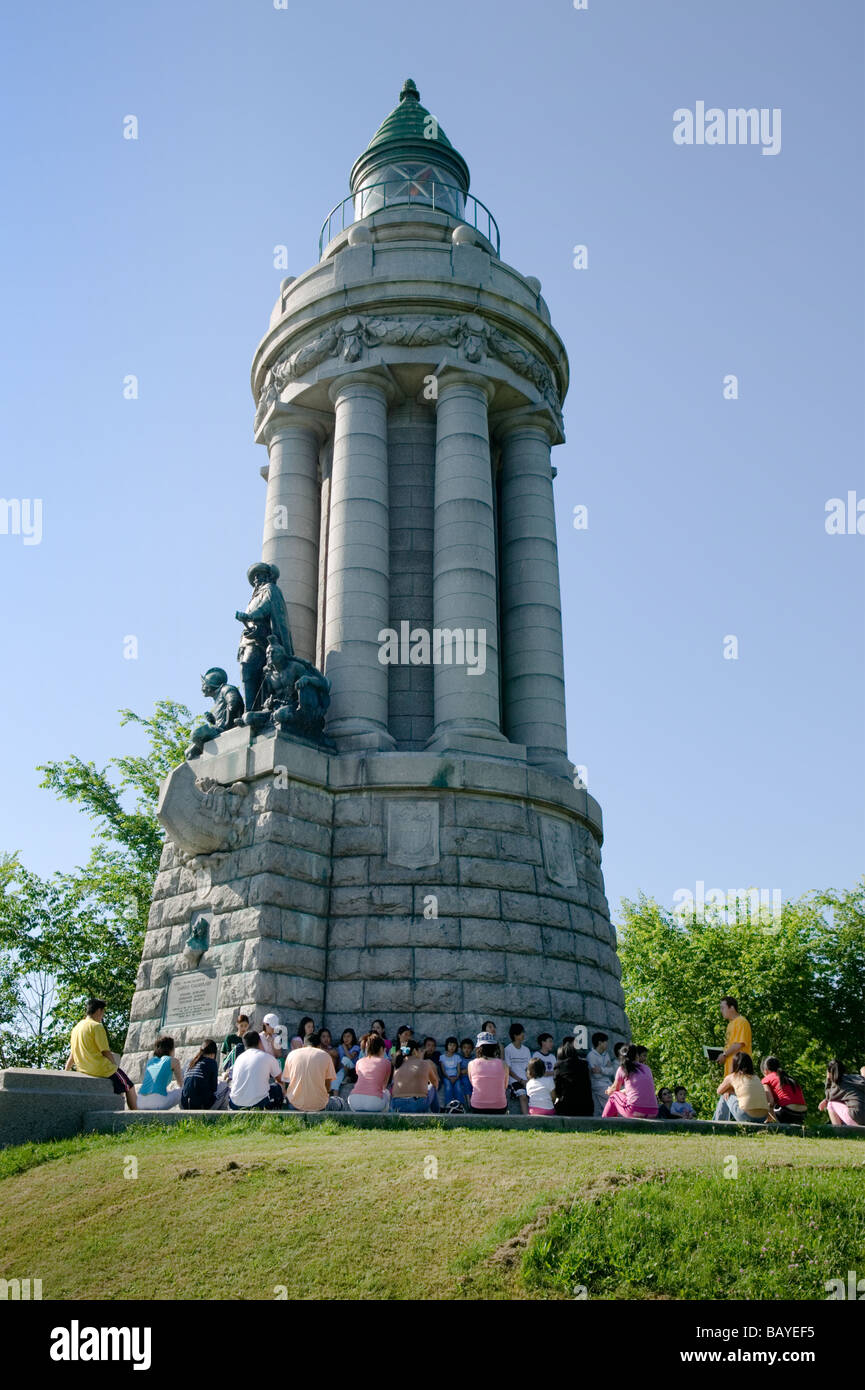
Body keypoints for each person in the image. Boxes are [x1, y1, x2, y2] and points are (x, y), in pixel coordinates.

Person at [65, 998, 137, 1110]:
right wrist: (115, 1067)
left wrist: (66, 1071)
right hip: (100, 1069)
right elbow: (105, 1051)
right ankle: (136, 1114)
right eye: (103, 1013)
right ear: (99, 1011)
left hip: (83, 1069)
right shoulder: (96, 1026)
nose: (102, 1016)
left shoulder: (77, 1028)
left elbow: (73, 1054)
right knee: (129, 1086)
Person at [282, 1032, 345, 1112]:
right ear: (319, 1046)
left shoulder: (291, 1055)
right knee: (340, 1102)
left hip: (294, 1104)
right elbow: (328, 1088)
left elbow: (287, 1082)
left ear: (303, 1045)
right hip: (319, 1105)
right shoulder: (325, 1055)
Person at [228, 1030, 284, 1110]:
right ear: (260, 1042)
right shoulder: (268, 1057)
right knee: (278, 1087)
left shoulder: (239, 1059)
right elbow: (280, 1079)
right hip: (258, 1104)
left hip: (235, 1104)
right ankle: (275, 1113)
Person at [602, 1044, 658, 1119]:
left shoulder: (623, 1068)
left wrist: (609, 1091)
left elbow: (615, 1089)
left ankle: (605, 1123)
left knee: (613, 1097)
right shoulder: (647, 1069)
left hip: (634, 1111)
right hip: (653, 1112)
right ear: (637, 1056)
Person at [713, 1052, 768, 1124]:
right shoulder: (756, 1077)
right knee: (731, 1094)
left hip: (746, 1116)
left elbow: (719, 1091)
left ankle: (717, 1124)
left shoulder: (733, 1076)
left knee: (725, 1094)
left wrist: (728, 1090)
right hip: (763, 1117)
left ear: (735, 1064)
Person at [390, 1039, 440, 1113]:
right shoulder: (425, 1063)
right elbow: (435, 1082)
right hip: (417, 1104)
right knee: (432, 1086)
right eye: (419, 1050)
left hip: (397, 1105)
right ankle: (437, 1113)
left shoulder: (397, 1064)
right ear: (414, 1051)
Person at [348, 1032, 392, 1112]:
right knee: (387, 1093)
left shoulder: (359, 1062)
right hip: (375, 1103)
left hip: (354, 1101)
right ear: (381, 1049)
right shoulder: (386, 1062)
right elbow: (383, 1087)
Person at [138, 1036, 183, 1110]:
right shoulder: (173, 1061)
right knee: (183, 1090)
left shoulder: (150, 1061)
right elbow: (181, 1084)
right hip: (157, 1102)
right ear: (170, 1049)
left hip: (140, 1102)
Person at [181, 1040, 229, 1110]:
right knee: (226, 1086)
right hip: (202, 1106)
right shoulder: (212, 1062)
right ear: (213, 1054)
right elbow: (214, 1088)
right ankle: (222, 1114)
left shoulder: (190, 1061)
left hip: (185, 1105)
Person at [468, 1033, 509, 1113]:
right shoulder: (504, 1064)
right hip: (499, 1107)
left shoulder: (471, 1064)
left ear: (478, 1048)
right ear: (494, 1048)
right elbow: (505, 1086)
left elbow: (473, 1083)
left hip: (477, 1106)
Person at [552, 1038, 594, 1116]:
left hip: (568, 1108)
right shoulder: (584, 1064)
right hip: (586, 1107)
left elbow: (557, 1088)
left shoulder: (559, 1065)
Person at [760, 1056, 807, 1125]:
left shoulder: (766, 1079)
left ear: (765, 1071)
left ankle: (770, 1121)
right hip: (802, 1114)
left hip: (787, 1113)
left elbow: (771, 1102)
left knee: (765, 1101)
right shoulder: (788, 1077)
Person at [818, 1060, 865, 1127]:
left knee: (831, 1104)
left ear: (829, 1072)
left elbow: (829, 1097)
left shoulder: (838, 1084)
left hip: (858, 1118)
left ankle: (839, 1132)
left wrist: (828, 1079)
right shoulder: (857, 1077)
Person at [717, 996, 752, 1077]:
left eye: (723, 1008)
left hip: (740, 1069)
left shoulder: (741, 1022)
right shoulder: (730, 1024)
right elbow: (730, 1046)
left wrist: (724, 1055)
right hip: (730, 1070)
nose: (721, 1011)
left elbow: (739, 1044)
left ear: (732, 1008)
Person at [586, 1032, 616, 1117]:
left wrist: (601, 1069)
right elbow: (596, 1075)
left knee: (603, 1105)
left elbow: (611, 1071)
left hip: (607, 1083)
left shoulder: (606, 1054)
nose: (607, 1044)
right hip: (597, 1084)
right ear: (600, 1043)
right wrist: (606, 1069)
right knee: (613, 1097)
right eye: (606, 1042)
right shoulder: (591, 1056)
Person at [504, 1022, 532, 1115]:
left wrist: (528, 1080)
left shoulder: (526, 1050)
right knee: (523, 1096)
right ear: (515, 1035)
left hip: (526, 1079)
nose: (523, 1034)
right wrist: (521, 1081)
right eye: (521, 1033)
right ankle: (527, 1119)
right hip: (514, 1081)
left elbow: (529, 1068)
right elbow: (508, 1070)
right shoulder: (508, 1049)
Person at [439, 1036, 463, 1107]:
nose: (452, 1047)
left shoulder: (457, 1057)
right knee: (448, 1088)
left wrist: (456, 1077)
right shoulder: (442, 1057)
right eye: (450, 1045)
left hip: (456, 1077)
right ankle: (448, 1105)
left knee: (458, 1088)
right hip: (447, 1077)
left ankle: (460, 1105)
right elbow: (443, 1070)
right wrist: (449, 1078)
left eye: (454, 1045)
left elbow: (458, 1069)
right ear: (447, 1046)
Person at [458, 1037, 474, 1105]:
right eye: (464, 1048)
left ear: (472, 1049)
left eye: (469, 1048)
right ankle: (468, 1102)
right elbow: (459, 1071)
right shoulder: (459, 1058)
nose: (466, 1050)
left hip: (473, 1077)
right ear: (461, 1049)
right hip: (464, 1078)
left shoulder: (474, 1058)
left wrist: (467, 1070)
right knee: (466, 1082)